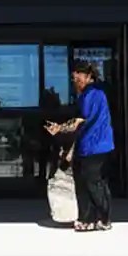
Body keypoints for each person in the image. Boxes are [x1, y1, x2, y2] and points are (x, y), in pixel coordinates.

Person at [45, 61, 114, 232]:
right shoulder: (91, 94)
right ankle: (89, 218)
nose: (76, 82)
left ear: (89, 76)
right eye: (74, 79)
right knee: (88, 182)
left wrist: (59, 128)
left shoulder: (93, 94)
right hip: (92, 144)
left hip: (95, 145)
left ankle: (102, 218)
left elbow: (79, 121)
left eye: (78, 78)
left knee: (92, 182)